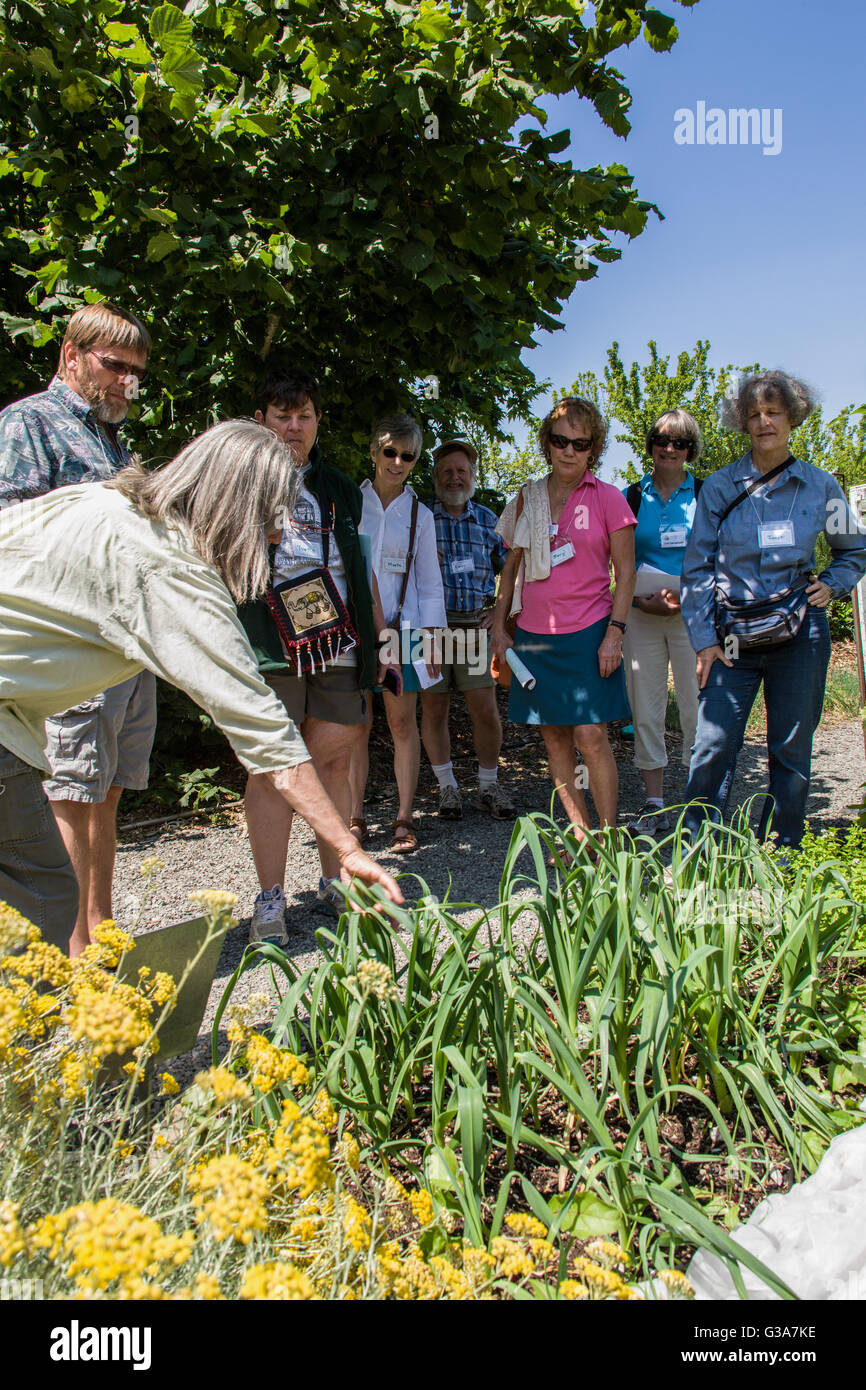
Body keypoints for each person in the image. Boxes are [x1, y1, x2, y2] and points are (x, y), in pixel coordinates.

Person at [0, 419, 402, 955]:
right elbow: (268, 738)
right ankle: (38, 1029)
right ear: (238, 506)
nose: (279, 535)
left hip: (13, 723)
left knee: (40, 882)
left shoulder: (106, 503)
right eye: (272, 516)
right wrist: (347, 848)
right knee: (42, 904)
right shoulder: (172, 572)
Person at [0, 301, 156, 957]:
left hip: (122, 651)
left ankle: (101, 940)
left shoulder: (108, 438)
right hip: (68, 650)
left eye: (136, 372)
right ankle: (67, 968)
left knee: (106, 795)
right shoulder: (28, 424)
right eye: (114, 365)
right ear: (71, 355)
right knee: (68, 795)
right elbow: (14, 540)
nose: (128, 382)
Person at [681, 371, 866, 850]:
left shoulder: (822, 486)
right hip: (733, 639)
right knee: (713, 745)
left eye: (773, 412)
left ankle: (782, 848)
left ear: (792, 418)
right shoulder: (720, 487)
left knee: (790, 747)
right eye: (754, 414)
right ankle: (697, 849)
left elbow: (855, 551)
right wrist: (703, 641)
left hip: (801, 636)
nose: (764, 421)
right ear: (743, 422)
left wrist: (833, 583)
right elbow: (697, 569)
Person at [237, 368, 381, 942]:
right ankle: (270, 898)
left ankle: (335, 881)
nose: (294, 427)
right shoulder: (243, 482)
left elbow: (359, 567)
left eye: (304, 416)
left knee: (336, 764)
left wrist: (379, 639)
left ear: (319, 421)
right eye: (282, 416)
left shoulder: (342, 488)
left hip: (338, 638)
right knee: (271, 769)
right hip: (270, 645)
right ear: (260, 421)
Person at [492, 397, 636, 844]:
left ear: (594, 448)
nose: (569, 451)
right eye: (560, 441)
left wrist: (615, 633)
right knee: (554, 738)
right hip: (535, 636)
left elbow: (626, 573)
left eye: (580, 443)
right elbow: (510, 570)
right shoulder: (527, 498)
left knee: (590, 734)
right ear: (547, 444)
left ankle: (610, 839)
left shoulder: (609, 498)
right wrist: (499, 627)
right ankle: (580, 833)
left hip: (591, 632)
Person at [347, 414, 446, 852]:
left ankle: (404, 816)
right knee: (355, 724)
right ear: (373, 452)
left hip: (404, 631)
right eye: (390, 452)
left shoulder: (420, 515)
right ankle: (354, 816)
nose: (397, 461)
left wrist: (431, 640)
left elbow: (429, 582)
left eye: (407, 455)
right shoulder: (349, 503)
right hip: (353, 628)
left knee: (402, 722)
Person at [420, 439, 515, 820]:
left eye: (462, 471)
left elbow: (513, 569)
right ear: (436, 477)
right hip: (432, 630)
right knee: (434, 709)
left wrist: (501, 614)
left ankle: (488, 785)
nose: (455, 477)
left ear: (473, 476)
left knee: (485, 710)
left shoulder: (490, 521)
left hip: (475, 628)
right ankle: (447, 789)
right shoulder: (422, 519)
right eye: (447, 471)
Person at [622, 409, 703, 836]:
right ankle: (654, 805)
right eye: (662, 440)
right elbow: (615, 560)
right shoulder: (631, 496)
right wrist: (639, 598)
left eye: (680, 443)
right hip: (641, 613)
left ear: (690, 450)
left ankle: (694, 807)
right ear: (650, 444)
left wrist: (683, 597)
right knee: (646, 708)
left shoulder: (706, 495)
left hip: (692, 616)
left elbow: (719, 561)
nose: (669, 449)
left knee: (694, 707)